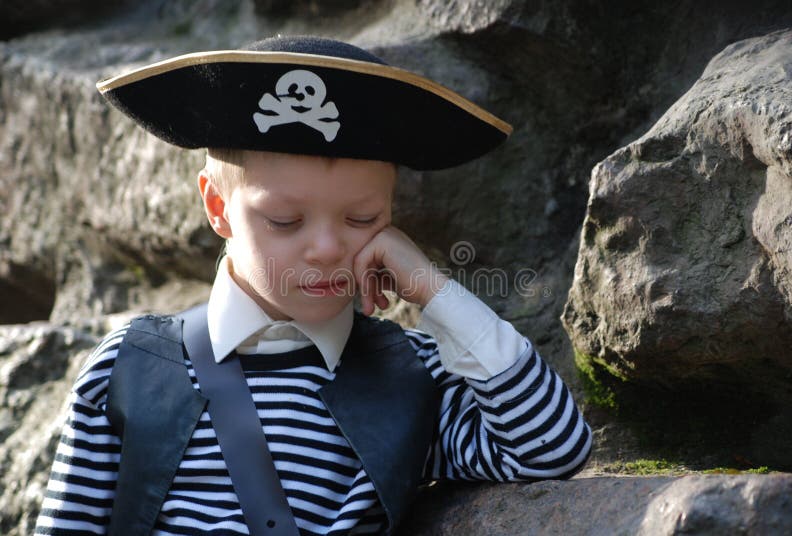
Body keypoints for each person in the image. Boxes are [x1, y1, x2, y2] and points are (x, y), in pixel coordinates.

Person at [35, 36, 592, 535]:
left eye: (362, 219)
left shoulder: (412, 374)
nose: (327, 248)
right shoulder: (129, 367)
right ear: (217, 207)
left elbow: (552, 450)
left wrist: (432, 288)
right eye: (285, 221)